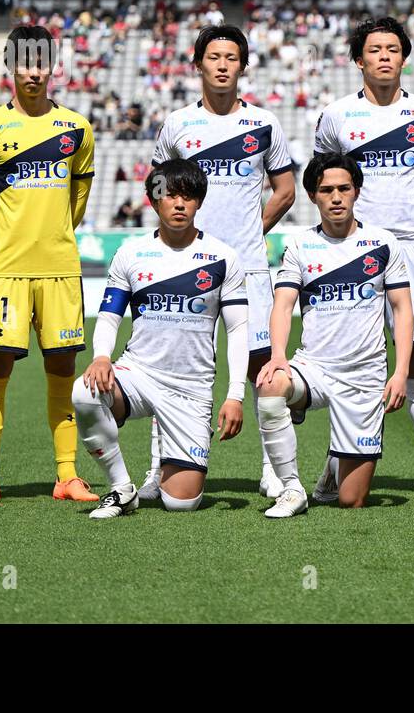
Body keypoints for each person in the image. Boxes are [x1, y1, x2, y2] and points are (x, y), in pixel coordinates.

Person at [148, 26, 296, 503]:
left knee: (261, 367)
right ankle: (158, 467)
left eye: (232, 57)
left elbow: (286, 190)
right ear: (198, 64)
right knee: (171, 365)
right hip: (184, 267)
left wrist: (251, 233)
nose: (223, 65)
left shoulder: (265, 123)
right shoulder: (176, 125)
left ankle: (274, 468)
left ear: (243, 66)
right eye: (214, 57)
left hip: (248, 267)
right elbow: (156, 186)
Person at [313, 16, 414, 495]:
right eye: (375, 49)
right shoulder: (335, 117)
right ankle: (337, 459)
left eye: (393, 48)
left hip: (410, 247)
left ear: (405, 57)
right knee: (348, 357)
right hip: (350, 251)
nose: (385, 57)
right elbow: (322, 176)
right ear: (359, 60)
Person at [0, 25, 97, 505]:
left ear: (53, 66)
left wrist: (54, 237)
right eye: (25, 63)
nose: (34, 73)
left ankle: (67, 474)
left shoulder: (77, 128)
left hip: (60, 269)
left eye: (42, 63)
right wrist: (1, 241)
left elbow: (77, 197)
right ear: (11, 68)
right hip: (6, 270)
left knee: (63, 368)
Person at [73, 159, 250, 518]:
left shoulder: (223, 257)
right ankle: (122, 488)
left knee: (180, 503)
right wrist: (102, 356)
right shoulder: (131, 254)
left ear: (199, 202)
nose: (179, 203)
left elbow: (237, 329)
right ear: (154, 202)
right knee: (84, 391)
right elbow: (109, 316)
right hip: (138, 374)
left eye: (188, 196)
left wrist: (235, 396)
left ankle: (164, 459)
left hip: (191, 388)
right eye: (169, 196)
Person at [254, 153, 414, 516]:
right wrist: (278, 356)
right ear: (313, 196)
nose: (337, 197)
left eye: (344, 188)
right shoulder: (299, 245)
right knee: (271, 384)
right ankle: (291, 489)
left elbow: (403, 310)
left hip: (364, 376)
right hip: (314, 367)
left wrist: (401, 372)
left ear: (357, 191)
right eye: (326, 190)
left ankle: (333, 466)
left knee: (351, 500)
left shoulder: (383, 243)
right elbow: (282, 305)